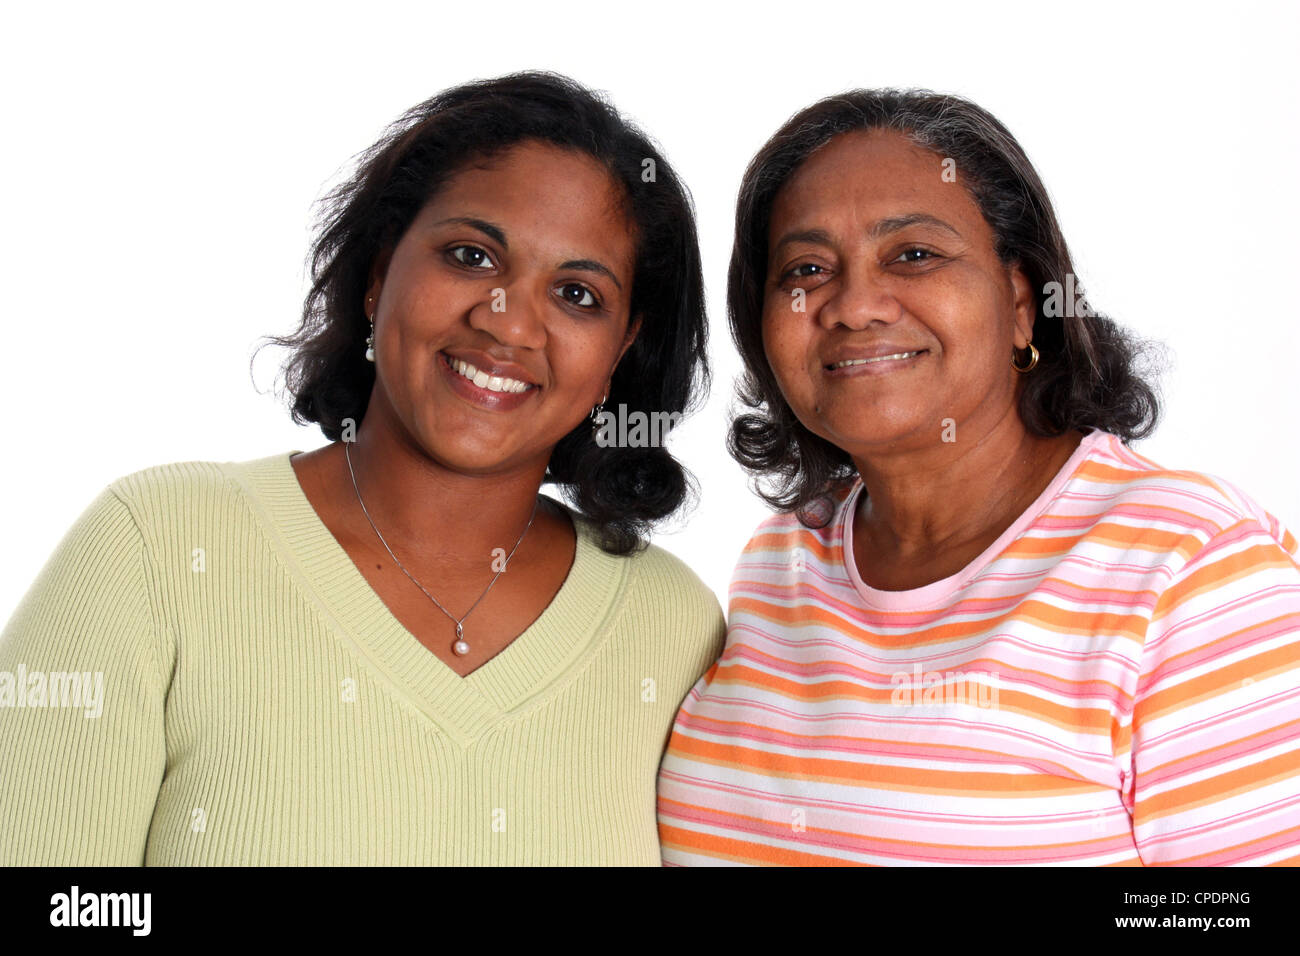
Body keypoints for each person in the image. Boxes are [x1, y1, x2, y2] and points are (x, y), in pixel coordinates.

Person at [0, 71, 724, 865]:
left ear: (621, 350)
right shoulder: (156, 549)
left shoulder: (673, 627)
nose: (509, 320)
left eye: (579, 294)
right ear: (380, 274)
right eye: (471, 255)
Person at [656, 89, 1300, 866]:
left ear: (1022, 301)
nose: (855, 305)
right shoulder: (783, 562)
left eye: (915, 255)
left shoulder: (1195, 575)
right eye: (808, 268)